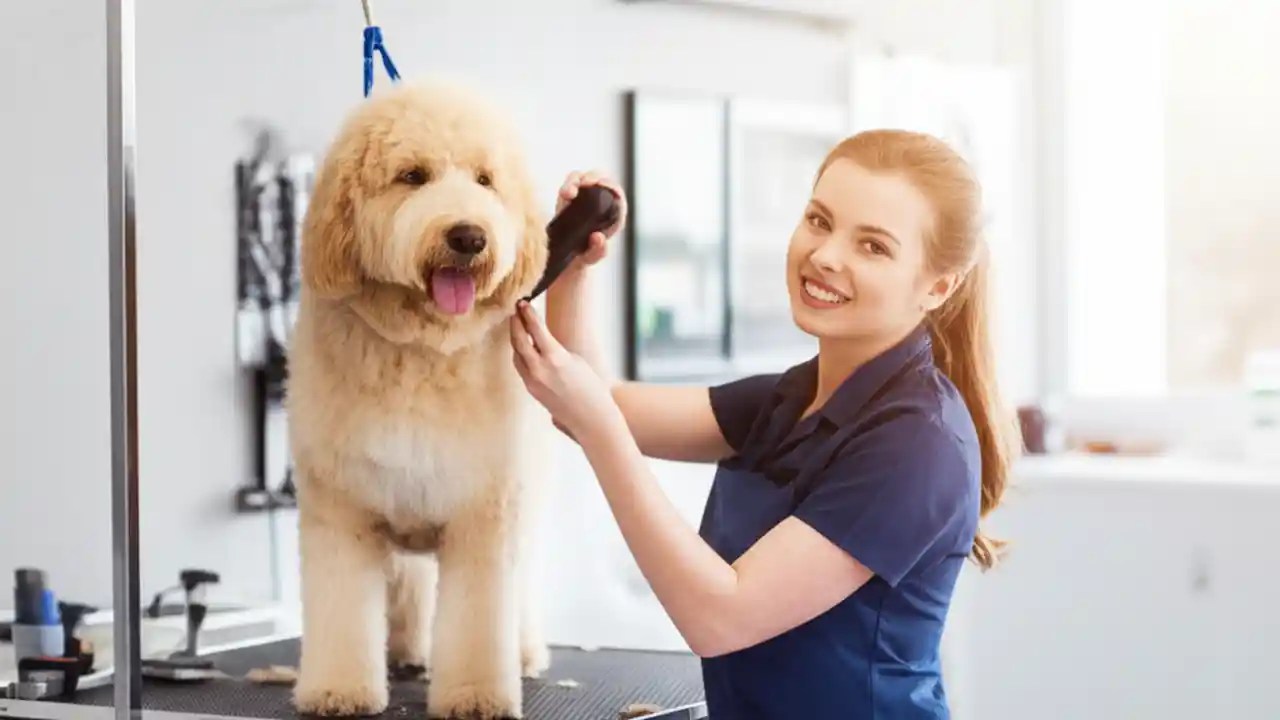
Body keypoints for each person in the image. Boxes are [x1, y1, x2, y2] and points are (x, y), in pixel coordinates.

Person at [508, 129, 1018, 719]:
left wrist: (597, 425)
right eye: (819, 221)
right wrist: (574, 264)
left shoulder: (918, 444)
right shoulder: (794, 395)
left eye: (873, 246)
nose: (826, 255)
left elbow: (720, 617)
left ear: (938, 286)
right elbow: (600, 406)